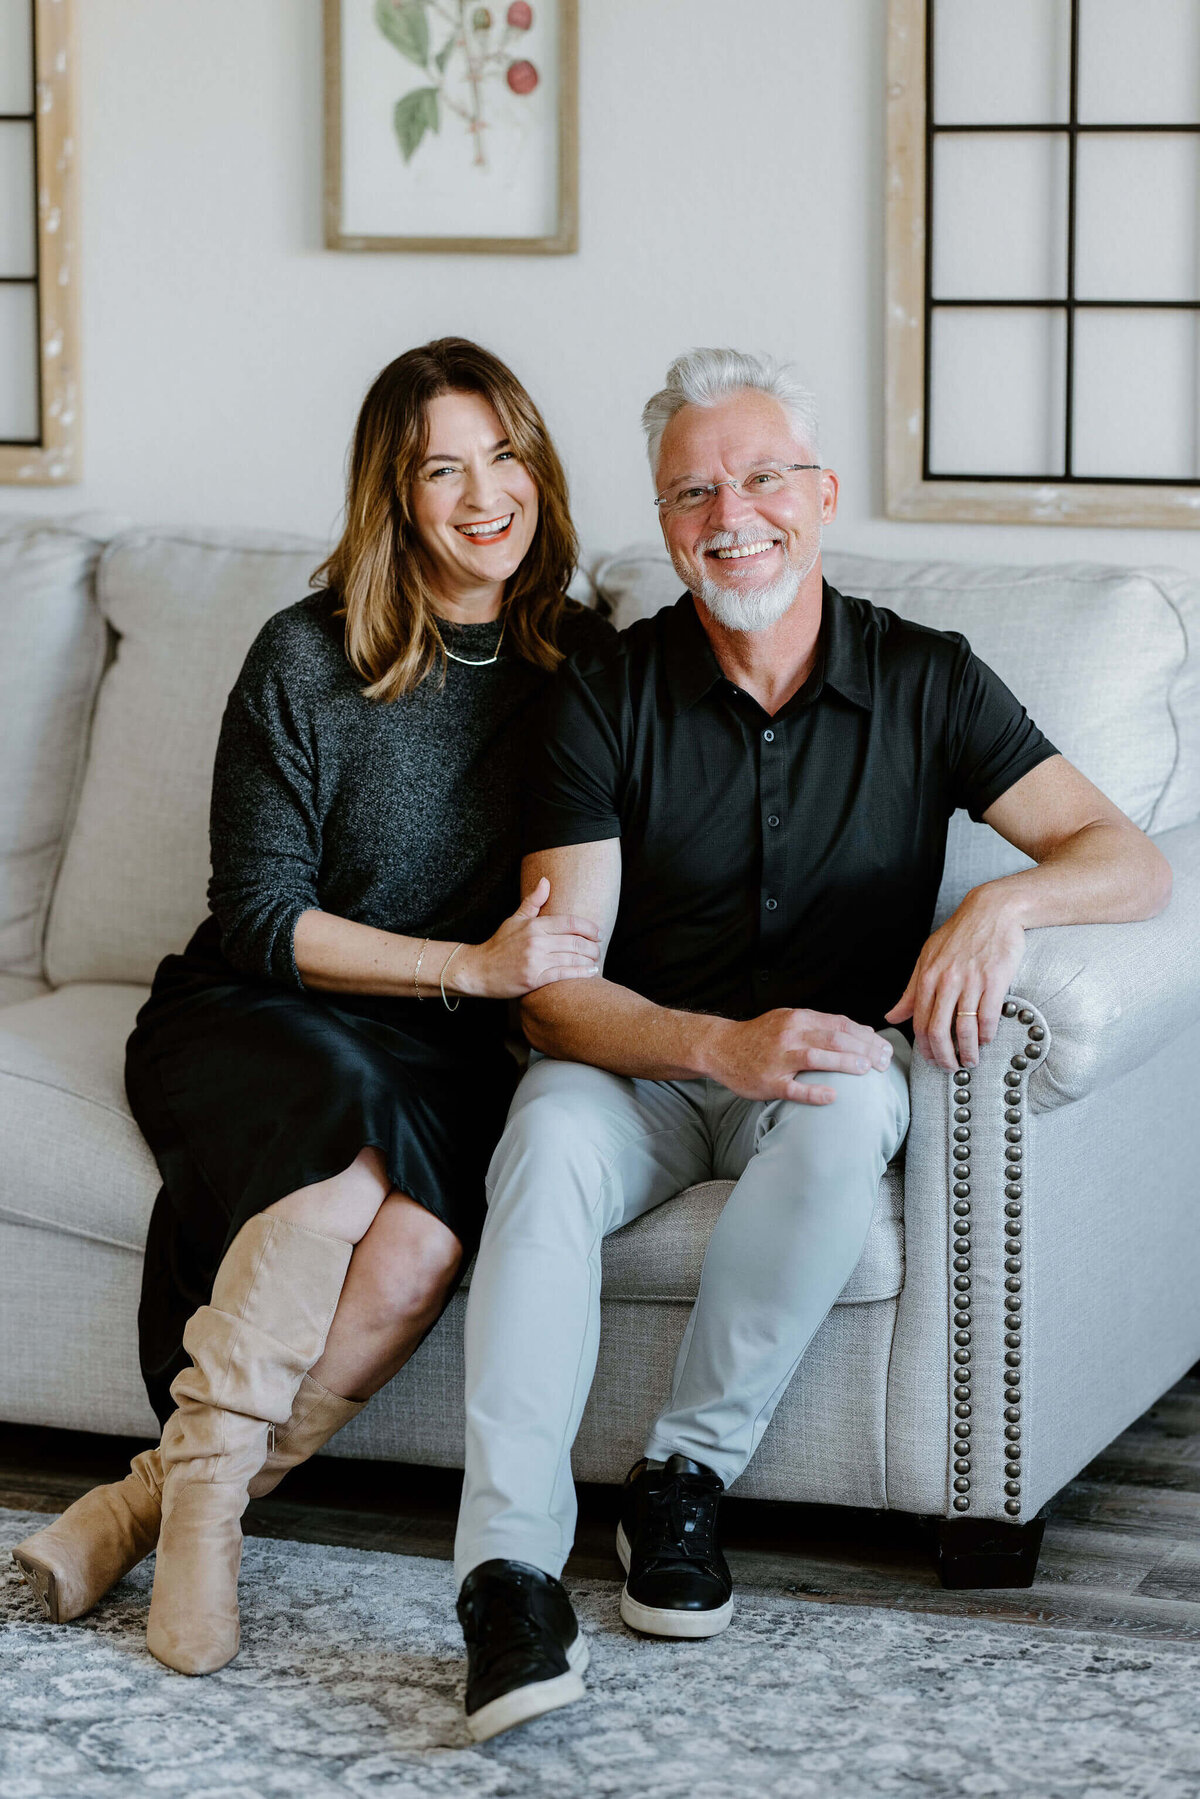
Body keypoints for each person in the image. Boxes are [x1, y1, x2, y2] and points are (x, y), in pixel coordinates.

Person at [451, 347, 1174, 1741]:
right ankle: (507, 1573)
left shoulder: (927, 679)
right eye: (695, 492)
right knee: (539, 1145)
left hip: (822, 1075)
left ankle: (681, 1485)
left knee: (852, 1099)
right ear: (664, 526)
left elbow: (1129, 861)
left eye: (765, 476)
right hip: (642, 1063)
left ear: (823, 492)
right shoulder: (605, 694)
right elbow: (553, 994)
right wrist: (715, 1047)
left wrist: (1005, 904)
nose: (736, 515)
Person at [12, 337, 612, 1677]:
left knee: (416, 1249)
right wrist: (465, 966)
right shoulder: (306, 654)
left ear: (538, 469)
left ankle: (137, 1506)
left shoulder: (583, 662)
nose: (482, 496)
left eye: (504, 456)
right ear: (392, 498)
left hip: (447, 1053)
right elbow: (263, 919)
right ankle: (210, 1522)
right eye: (440, 469)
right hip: (254, 1011)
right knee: (348, 1153)